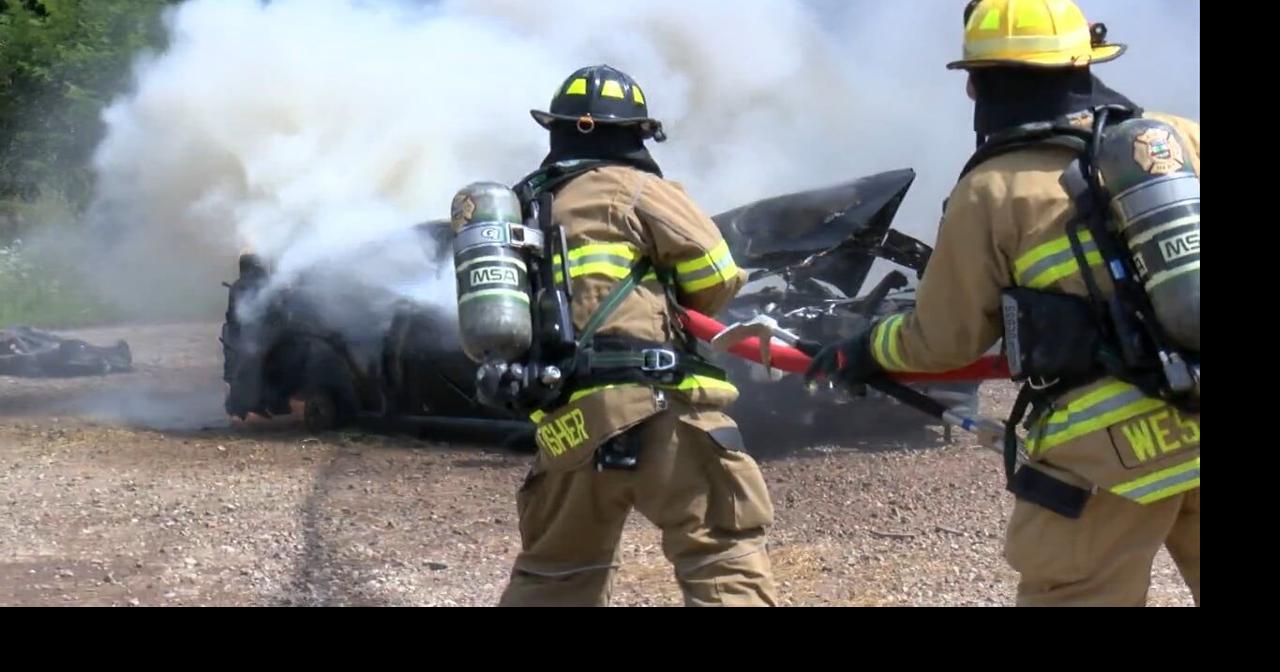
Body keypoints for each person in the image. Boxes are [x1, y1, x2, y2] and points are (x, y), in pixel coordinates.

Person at [805, 0, 1200, 606]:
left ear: (976, 83)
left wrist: (863, 348)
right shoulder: (1178, 138)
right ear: (1084, 63)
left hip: (1107, 457)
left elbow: (944, 340)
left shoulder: (991, 189)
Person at [497, 64, 779, 607]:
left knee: (554, 576)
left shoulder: (526, 206)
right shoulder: (637, 189)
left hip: (565, 426)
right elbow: (716, 278)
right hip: (652, 409)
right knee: (720, 556)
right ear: (635, 135)